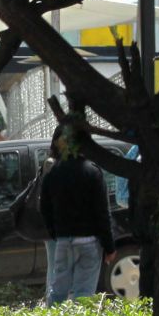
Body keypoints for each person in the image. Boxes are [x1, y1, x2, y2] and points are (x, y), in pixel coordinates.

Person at [40, 123, 117, 305]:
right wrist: (109, 246)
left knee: (57, 292)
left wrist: (56, 234)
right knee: (84, 294)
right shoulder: (92, 172)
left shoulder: (53, 174)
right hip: (90, 242)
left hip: (63, 241)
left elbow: (45, 209)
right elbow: (102, 213)